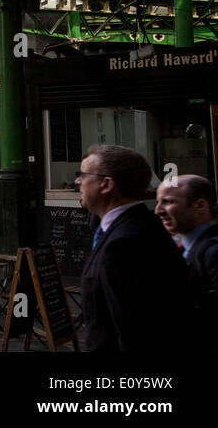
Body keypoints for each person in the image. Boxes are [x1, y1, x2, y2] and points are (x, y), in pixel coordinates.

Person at [78, 144, 190, 351]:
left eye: (83, 175)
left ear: (106, 184)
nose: (78, 181)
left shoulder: (123, 244)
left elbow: (134, 331)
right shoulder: (141, 225)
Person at [155, 173, 218, 349]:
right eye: (158, 202)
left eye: (168, 202)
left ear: (200, 205)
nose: (158, 210)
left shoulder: (215, 253)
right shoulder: (181, 249)